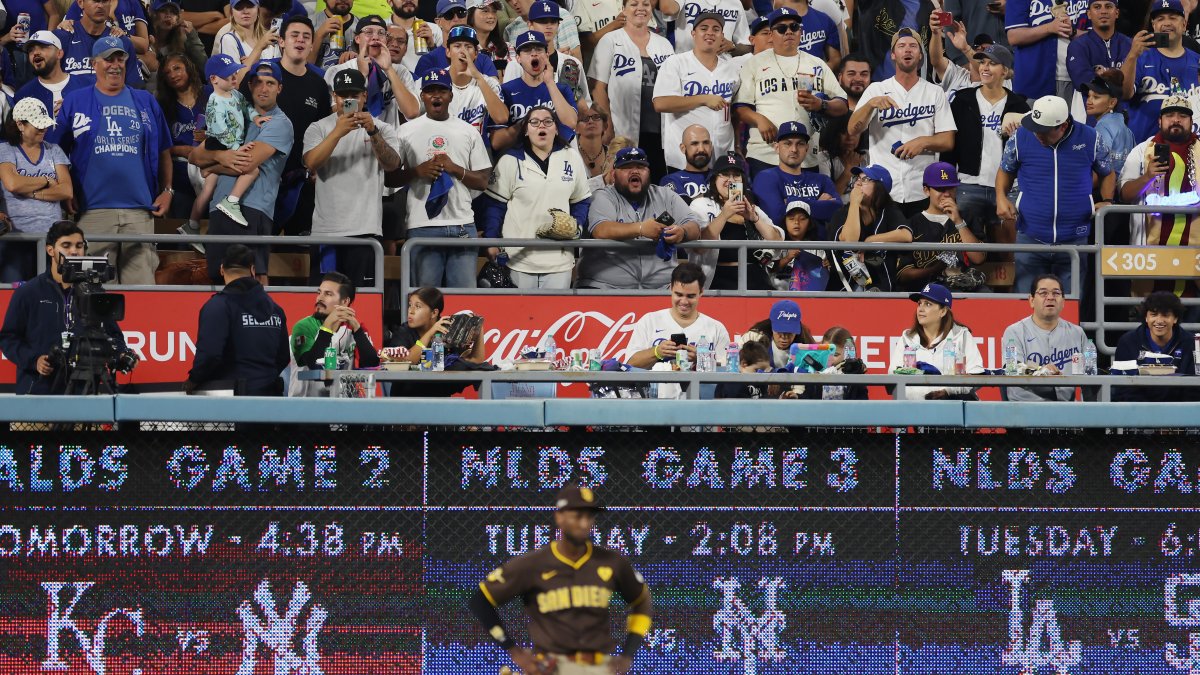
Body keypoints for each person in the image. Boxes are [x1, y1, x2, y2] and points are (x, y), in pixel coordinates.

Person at [469, 484, 652, 675]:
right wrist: (514, 651)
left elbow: (642, 601)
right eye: (577, 516)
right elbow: (480, 600)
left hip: (599, 667)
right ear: (559, 517)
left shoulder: (612, 562)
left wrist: (628, 654)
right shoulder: (532, 564)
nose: (584, 523)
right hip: (551, 667)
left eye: (589, 516)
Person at [55, 37, 171, 286]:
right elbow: (57, 152)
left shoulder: (145, 101)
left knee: (142, 292)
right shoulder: (75, 101)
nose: (115, 65)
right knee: (95, 294)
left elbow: (163, 150)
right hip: (93, 211)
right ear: (93, 63)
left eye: (120, 58)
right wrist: (67, 190)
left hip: (140, 210)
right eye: (108, 59)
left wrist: (168, 190)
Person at [996, 94, 1114, 295]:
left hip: (1074, 239)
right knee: (1027, 302)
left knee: (1071, 305)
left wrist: (1107, 201)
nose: (1037, 135)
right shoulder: (1021, 136)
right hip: (1030, 236)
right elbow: (1005, 169)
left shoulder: (1091, 138)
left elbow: (1107, 172)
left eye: (1043, 131)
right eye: (1035, 128)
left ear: (1063, 125)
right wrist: (1000, 196)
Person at [190, 59, 294, 285]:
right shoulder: (235, 113)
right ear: (249, 86)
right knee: (218, 278)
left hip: (252, 209)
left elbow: (246, 164)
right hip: (220, 207)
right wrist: (219, 156)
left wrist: (211, 166)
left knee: (253, 279)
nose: (263, 88)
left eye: (270, 83)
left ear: (280, 88)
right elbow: (194, 156)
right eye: (257, 82)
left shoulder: (279, 123)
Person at [0, 221, 127, 395]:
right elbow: (8, 338)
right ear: (50, 250)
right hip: (36, 393)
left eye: (79, 246)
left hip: (83, 395)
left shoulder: (95, 293)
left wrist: (122, 354)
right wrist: (34, 360)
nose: (74, 251)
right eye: (66, 245)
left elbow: (113, 335)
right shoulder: (28, 292)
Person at [304, 68, 401, 289]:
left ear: (364, 96)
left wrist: (373, 132)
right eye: (343, 96)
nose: (349, 100)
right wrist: (338, 132)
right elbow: (311, 163)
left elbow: (393, 165)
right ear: (334, 97)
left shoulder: (382, 128)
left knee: (363, 303)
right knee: (324, 300)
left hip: (365, 230)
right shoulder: (319, 127)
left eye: (354, 95)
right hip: (326, 231)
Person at [395, 69, 491, 288]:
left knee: (464, 304)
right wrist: (416, 171)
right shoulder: (406, 131)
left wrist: (455, 169)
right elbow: (390, 179)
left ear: (450, 95)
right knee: (424, 301)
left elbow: (483, 180)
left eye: (441, 90)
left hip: (462, 224)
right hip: (422, 225)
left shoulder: (468, 131)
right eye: (430, 91)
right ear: (422, 96)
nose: (436, 96)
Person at [848, 27, 956, 218]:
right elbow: (853, 129)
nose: (907, 50)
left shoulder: (934, 92)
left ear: (920, 56)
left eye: (913, 46)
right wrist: (870, 105)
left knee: (921, 246)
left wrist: (923, 141)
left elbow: (948, 140)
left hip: (921, 187)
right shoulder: (877, 89)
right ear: (893, 55)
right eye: (902, 46)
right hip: (883, 188)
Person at [483, 106, 591, 289]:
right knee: (519, 317)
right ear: (525, 130)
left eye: (548, 122)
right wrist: (492, 239)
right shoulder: (510, 160)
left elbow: (582, 199)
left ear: (556, 129)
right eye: (534, 122)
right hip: (518, 259)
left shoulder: (571, 157)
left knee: (554, 316)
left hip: (559, 261)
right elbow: (495, 205)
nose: (542, 126)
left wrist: (577, 227)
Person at [733, 7, 848, 177]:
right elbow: (740, 107)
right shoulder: (755, 64)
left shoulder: (816, 64)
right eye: (781, 28)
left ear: (800, 32)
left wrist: (821, 104)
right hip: (765, 154)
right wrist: (759, 119)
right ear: (771, 35)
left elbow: (842, 104)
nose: (789, 32)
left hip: (806, 156)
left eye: (794, 27)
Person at [575, 147, 703, 289]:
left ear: (648, 172)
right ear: (613, 175)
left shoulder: (666, 196)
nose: (635, 171)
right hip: (606, 287)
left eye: (641, 167)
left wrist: (682, 232)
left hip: (661, 288)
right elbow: (601, 230)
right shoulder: (603, 196)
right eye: (626, 167)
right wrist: (641, 229)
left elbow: (694, 225)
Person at [941, 44, 1026, 243]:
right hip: (969, 187)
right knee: (967, 252)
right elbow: (950, 147)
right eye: (982, 63)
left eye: (992, 64)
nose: (985, 68)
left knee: (1009, 253)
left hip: (1008, 189)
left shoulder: (1019, 105)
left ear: (1005, 71)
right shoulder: (963, 100)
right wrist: (948, 186)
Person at [1118, 94, 1200, 301]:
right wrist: (1147, 177)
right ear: (1159, 121)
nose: (1176, 120)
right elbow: (1125, 194)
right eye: (1169, 115)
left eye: (1182, 115)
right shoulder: (1141, 151)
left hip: (1195, 251)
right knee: (1152, 309)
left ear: (1191, 122)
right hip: (1151, 250)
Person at [185, 244, 290, 396]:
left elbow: (209, 354)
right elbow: (283, 356)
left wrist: (194, 380)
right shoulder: (276, 310)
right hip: (271, 401)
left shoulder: (218, 306)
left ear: (222, 269)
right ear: (253, 270)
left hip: (232, 402)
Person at [263, 16, 332, 239]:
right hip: (262, 175)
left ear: (312, 45)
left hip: (300, 181)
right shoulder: (263, 74)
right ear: (281, 41)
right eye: (294, 35)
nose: (300, 40)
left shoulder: (319, 83)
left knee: (298, 254)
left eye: (306, 37)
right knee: (258, 247)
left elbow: (324, 129)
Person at [588, 0, 674, 179]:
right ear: (623, 10)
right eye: (634, 4)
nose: (641, 8)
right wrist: (607, 126)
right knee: (625, 180)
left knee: (656, 182)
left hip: (660, 131)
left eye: (646, 4)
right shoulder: (610, 40)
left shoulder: (664, 44)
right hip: (622, 129)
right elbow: (598, 88)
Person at [624, 262, 731, 400]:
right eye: (678, 294)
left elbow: (728, 371)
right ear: (670, 288)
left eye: (690, 296)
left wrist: (703, 359)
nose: (684, 301)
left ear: (701, 292)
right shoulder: (649, 320)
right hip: (655, 404)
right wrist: (657, 352)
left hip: (701, 405)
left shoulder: (716, 328)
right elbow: (630, 364)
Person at [652, 11, 740, 172]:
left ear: (722, 36)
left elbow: (733, 112)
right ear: (693, 33)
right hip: (683, 159)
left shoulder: (731, 69)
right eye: (703, 28)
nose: (710, 33)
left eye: (716, 29)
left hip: (723, 155)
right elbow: (660, 103)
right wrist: (703, 99)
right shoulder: (675, 63)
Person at [0, 98, 72, 281]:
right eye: (38, 124)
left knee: (49, 295)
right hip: (16, 239)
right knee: (13, 294)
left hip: (51, 239)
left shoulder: (54, 150)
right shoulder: (5, 150)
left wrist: (32, 192)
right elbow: (12, 184)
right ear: (20, 124)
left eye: (45, 124)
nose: (44, 129)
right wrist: (47, 180)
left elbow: (66, 190)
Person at [692, 151, 781, 290]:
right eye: (725, 174)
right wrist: (724, 215)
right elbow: (700, 247)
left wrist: (754, 219)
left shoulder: (751, 207)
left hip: (755, 277)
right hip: (719, 278)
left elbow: (777, 241)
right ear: (714, 179)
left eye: (736, 175)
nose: (731, 180)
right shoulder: (701, 204)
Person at [894, 162, 985, 293]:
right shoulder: (912, 223)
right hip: (926, 290)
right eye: (940, 189)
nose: (947, 194)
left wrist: (959, 222)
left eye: (951, 188)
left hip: (965, 288)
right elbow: (903, 275)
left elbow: (979, 258)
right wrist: (932, 270)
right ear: (926, 190)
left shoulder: (967, 218)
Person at [194, 54, 262, 229]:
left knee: (209, 188)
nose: (233, 77)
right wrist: (236, 148)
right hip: (218, 143)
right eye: (228, 74)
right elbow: (220, 130)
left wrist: (255, 118)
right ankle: (231, 200)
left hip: (229, 143)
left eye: (234, 72)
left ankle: (192, 224)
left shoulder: (235, 94)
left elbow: (246, 107)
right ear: (214, 79)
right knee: (251, 170)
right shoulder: (214, 102)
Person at [288, 271, 381, 396]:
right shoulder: (304, 327)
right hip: (306, 406)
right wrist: (327, 328)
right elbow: (312, 364)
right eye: (319, 292)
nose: (320, 298)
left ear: (344, 302)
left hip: (342, 405)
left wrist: (357, 329)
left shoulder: (355, 329)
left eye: (328, 294)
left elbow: (371, 363)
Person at [888, 282, 984, 400]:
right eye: (919, 304)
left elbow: (976, 374)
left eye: (928, 304)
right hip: (912, 410)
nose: (921, 309)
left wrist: (947, 392)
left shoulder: (961, 336)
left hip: (952, 408)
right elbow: (893, 375)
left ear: (943, 311)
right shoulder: (907, 339)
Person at [323, 16, 423, 129]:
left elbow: (412, 113)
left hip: (386, 140)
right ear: (357, 39)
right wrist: (361, 77)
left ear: (386, 39)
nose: (375, 37)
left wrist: (389, 69)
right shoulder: (338, 71)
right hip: (352, 139)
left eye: (381, 33)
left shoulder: (400, 71)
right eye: (368, 32)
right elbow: (337, 115)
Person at [1001, 274, 1088, 401]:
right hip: (1026, 409)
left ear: (1063, 302)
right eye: (1043, 293)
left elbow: (1089, 373)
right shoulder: (1015, 332)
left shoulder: (1077, 333)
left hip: (1067, 410)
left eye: (1056, 293)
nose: (1050, 298)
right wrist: (1041, 371)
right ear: (1031, 300)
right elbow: (1012, 368)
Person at [385, 286, 486, 396]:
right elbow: (408, 361)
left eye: (417, 306)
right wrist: (429, 334)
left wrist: (479, 327)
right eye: (410, 305)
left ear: (434, 313)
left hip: (439, 402)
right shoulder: (403, 332)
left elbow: (475, 360)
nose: (411, 311)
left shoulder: (447, 330)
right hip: (406, 401)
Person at [1120, 0, 1199, 140]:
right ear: (1154, 25)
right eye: (1160, 19)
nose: (1167, 23)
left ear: (1184, 24)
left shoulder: (1197, 61)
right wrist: (1132, 55)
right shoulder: (1140, 58)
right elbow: (1124, 94)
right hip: (1144, 149)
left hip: (1190, 150)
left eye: (1173, 18)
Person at [492, 29, 577, 151]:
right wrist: (530, 122)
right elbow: (496, 142)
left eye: (539, 49)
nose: (534, 54)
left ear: (547, 55)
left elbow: (571, 123)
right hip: (521, 160)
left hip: (557, 156)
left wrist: (549, 82)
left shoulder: (561, 89)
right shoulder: (506, 91)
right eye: (527, 50)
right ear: (518, 58)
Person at [503, 0, 590, 114]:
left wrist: (573, 93)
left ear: (558, 25)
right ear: (530, 25)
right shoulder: (515, 65)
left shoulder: (571, 63)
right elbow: (509, 105)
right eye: (542, 21)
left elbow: (585, 106)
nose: (548, 26)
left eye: (553, 22)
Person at [751, 121, 841, 231]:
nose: (794, 149)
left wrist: (790, 201)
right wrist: (819, 205)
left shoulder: (822, 180)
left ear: (807, 149)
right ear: (777, 147)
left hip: (820, 246)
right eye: (787, 143)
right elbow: (776, 216)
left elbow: (838, 213)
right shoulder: (766, 178)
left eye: (800, 144)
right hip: (784, 246)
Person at [831, 164, 909, 292]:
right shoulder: (843, 213)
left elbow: (906, 235)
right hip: (846, 287)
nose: (858, 183)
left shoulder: (889, 211)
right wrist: (854, 204)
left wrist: (869, 241)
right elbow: (850, 242)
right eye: (858, 178)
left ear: (880, 187)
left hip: (882, 286)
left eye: (865, 179)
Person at [1113, 290, 1198, 401]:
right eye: (1153, 315)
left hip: (1179, 411)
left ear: (1175, 319)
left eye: (1165, 315)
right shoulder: (1128, 342)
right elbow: (1123, 387)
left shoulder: (1191, 343)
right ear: (1146, 317)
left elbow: (1193, 389)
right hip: (1138, 411)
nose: (1159, 321)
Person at [157, 53, 208, 224]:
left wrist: (210, 137)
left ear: (189, 68)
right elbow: (157, 144)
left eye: (177, 68)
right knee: (181, 230)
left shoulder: (210, 94)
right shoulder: (162, 106)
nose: (172, 75)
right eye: (167, 72)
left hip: (211, 171)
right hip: (180, 176)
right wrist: (181, 150)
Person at [434, 25, 506, 137]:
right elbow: (411, 114)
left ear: (476, 53)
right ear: (448, 52)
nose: (463, 52)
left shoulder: (488, 82)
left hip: (476, 148)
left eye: (468, 47)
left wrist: (478, 78)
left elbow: (501, 118)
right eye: (457, 46)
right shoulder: (435, 81)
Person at [1005, 0, 1082, 101]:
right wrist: (1049, 27)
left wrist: (1073, 31)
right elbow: (1014, 36)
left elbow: (1098, 35)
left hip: (1078, 79)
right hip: (1033, 80)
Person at [54, 0, 142, 87]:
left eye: (105, 1)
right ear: (81, 3)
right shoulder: (61, 38)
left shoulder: (123, 43)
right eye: (96, 1)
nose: (100, 5)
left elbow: (135, 88)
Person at [13, 31, 91, 129]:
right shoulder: (23, 95)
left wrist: (77, 108)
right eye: (31, 50)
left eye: (43, 47)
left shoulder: (86, 86)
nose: (35, 53)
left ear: (59, 53)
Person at [414, 0, 500, 76]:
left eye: (461, 13)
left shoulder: (483, 59)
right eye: (449, 15)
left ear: (467, 16)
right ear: (438, 21)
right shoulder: (428, 60)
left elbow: (495, 91)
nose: (456, 19)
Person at [1066, 0, 1130, 93]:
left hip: (1124, 106)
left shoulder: (1129, 44)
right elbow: (1082, 81)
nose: (1103, 11)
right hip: (1088, 105)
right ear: (1089, 14)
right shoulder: (1078, 45)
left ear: (1117, 13)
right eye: (1097, 7)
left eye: (1108, 7)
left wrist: (1102, 75)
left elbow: (1135, 82)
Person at [1082, 69, 1135, 173]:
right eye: (1089, 96)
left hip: (1106, 187)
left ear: (1112, 102)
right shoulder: (1126, 129)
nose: (1089, 101)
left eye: (1096, 97)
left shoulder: (1103, 127)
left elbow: (1101, 170)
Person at [740, 298, 815, 369]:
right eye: (779, 331)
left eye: (790, 332)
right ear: (772, 325)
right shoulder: (753, 337)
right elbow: (736, 364)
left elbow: (817, 369)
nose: (784, 337)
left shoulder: (805, 344)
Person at [773, 200, 829, 291]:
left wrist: (827, 266)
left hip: (809, 297)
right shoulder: (777, 245)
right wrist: (787, 258)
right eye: (791, 218)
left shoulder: (818, 248)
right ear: (785, 221)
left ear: (809, 223)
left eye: (802, 219)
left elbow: (821, 278)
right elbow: (770, 269)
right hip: (779, 295)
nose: (796, 222)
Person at [149, 0, 206, 75]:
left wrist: (193, 37)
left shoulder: (183, 41)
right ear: (154, 15)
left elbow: (204, 68)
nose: (168, 15)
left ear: (178, 18)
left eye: (173, 12)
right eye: (163, 11)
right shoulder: (146, 42)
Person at [217, 0, 282, 65]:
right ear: (231, 13)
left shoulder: (270, 37)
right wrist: (259, 47)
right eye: (239, 7)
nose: (245, 11)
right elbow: (234, 75)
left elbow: (281, 71)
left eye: (250, 6)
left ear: (258, 10)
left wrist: (251, 62)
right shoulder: (228, 39)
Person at [659, 124, 711, 202]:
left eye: (706, 143)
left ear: (711, 146)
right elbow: (680, 209)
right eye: (694, 143)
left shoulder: (723, 176)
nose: (701, 149)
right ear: (683, 148)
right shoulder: (671, 180)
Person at [388, 0, 442, 73]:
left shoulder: (434, 30)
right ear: (390, 2)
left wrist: (432, 46)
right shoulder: (379, 29)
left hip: (426, 82)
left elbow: (444, 69)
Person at [310, 0, 355, 69]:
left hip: (351, 78)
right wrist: (318, 35)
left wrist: (357, 58)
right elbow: (301, 66)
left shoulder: (364, 27)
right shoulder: (309, 24)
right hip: (318, 78)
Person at [577, 106, 611, 181]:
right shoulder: (571, 155)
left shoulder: (614, 155)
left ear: (605, 126)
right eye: (584, 118)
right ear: (576, 128)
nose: (590, 121)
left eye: (596, 117)